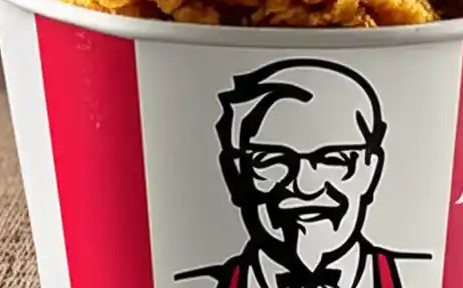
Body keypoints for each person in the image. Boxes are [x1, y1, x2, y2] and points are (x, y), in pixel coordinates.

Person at [177, 59, 429, 288]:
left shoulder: (429, 276)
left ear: (370, 170)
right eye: (272, 161)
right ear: (235, 174)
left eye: (334, 160)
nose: (307, 186)